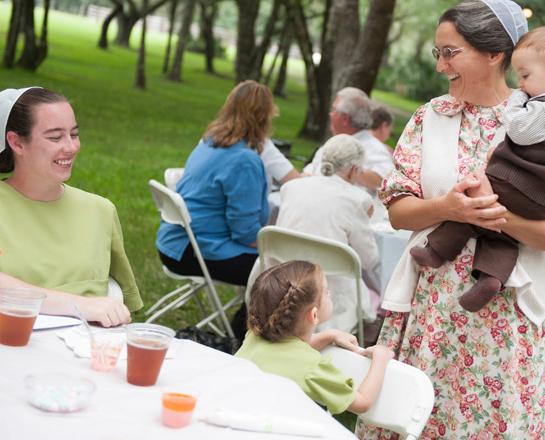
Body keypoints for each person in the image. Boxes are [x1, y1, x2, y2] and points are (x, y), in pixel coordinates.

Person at [357, 0, 545, 440]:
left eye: (451, 52)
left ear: (494, 53)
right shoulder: (429, 117)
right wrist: (448, 209)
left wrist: (494, 216)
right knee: (414, 419)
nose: (441, 65)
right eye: (439, 53)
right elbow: (397, 211)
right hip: (430, 312)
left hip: (503, 322)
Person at [409, 24, 545, 312]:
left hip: (516, 184)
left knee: (472, 197)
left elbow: (517, 129)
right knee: (501, 235)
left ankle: (437, 250)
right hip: (543, 200)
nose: (520, 84)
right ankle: (492, 277)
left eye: (525, 76)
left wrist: (517, 101)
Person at [0, 87, 142, 326]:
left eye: (74, 134)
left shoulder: (101, 210)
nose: (71, 147)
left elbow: (120, 303)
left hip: (86, 344)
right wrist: (79, 305)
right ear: (17, 142)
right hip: (6, 341)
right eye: (55, 137)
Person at [156, 80, 273, 337]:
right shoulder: (244, 160)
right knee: (280, 274)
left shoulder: (209, 143)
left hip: (174, 244)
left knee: (274, 267)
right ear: (263, 118)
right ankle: (242, 339)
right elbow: (245, 232)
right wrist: (276, 247)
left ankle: (242, 332)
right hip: (195, 251)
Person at [236, 260, 394, 415]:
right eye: (326, 291)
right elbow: (361, 402)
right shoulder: (312, 368)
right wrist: (380, 357)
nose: (329, 293)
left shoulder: (254, 335)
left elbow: (287, 355)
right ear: (313, 315)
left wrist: (328, 335)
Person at [274, 134, 380, 336]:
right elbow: (369, 260)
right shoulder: (358, 199)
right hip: (329, 300)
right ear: (354, 171)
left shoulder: (291, 187)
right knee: (376, 299)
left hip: (279, 288)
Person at [304, 87, 393, 194]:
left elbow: (386, 181)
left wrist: (345, 170)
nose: (330, 114)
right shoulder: (333, 143)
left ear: (345, 118)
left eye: (334, 110)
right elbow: (307, 173)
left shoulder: (374, 148)